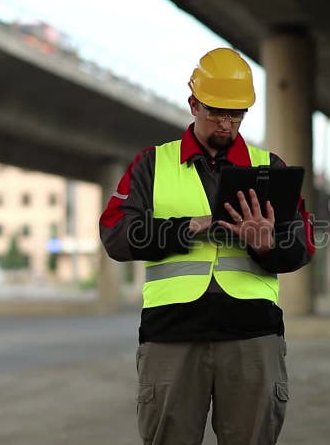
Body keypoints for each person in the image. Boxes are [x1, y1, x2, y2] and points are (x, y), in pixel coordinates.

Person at [99, 47, 314, 445]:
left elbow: (303, 243)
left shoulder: (270, 168)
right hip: (172, 337)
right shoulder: (152, 164)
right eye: (215, 110)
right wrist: (184, 229)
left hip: (252, 337)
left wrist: (266, 245)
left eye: (236, 114)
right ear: (193, 102)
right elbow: (115, 232)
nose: (225, 122)